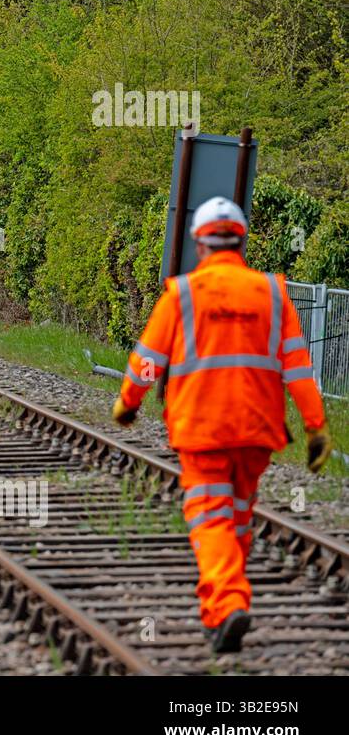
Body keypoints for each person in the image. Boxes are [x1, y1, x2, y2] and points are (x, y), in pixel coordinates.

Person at [111, 196, 332, 653]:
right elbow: (298, 368)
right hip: (256, 432)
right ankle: (218, 618)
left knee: (210, 519)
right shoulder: (273, 292)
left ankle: (230, 604)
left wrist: (128, 403)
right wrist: (315, 427)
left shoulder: (184, 293)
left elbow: (149, 362)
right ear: (241, 239)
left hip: (202, 431)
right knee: (237, 519)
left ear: (199, 242)